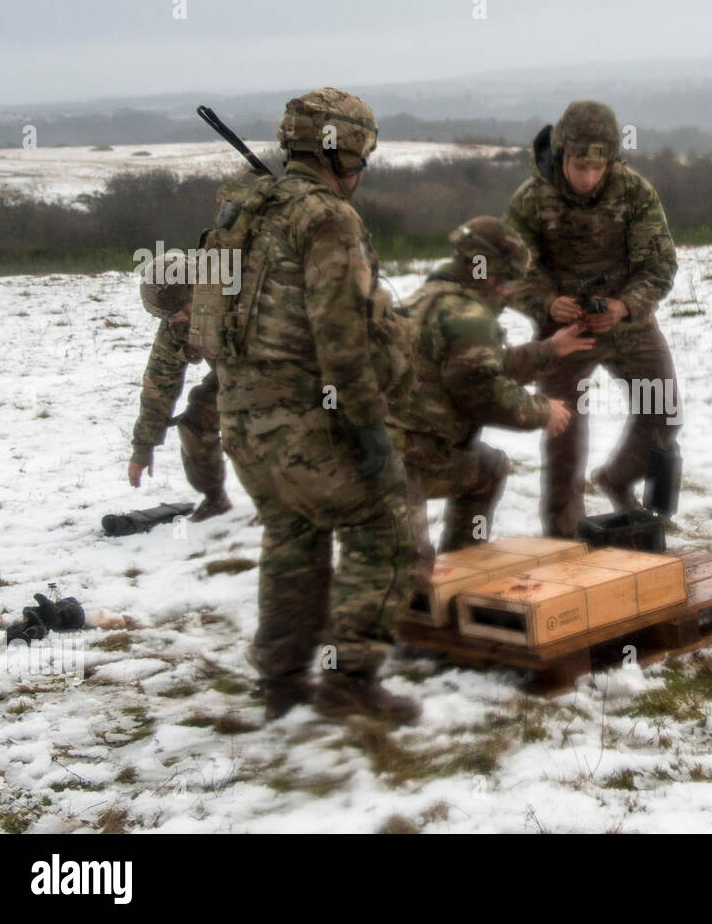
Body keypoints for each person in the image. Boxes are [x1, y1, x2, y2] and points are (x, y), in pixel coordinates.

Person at [214, 87, 426, 724]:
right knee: (387, 526)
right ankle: (350, 682)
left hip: (242, 421)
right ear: (349, 153)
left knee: (293, 535)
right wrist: (369, 429)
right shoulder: (327, 217)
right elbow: (342, 335)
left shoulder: (244, 206)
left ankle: (280, 681)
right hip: (303, 420)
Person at [506, 99, 681, 537]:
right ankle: (563, 537)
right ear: (562, 153)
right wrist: (547, 303)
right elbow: (512, 272)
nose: (587, 177)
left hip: (628, 323)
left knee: (663, 412)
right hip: (564, 332)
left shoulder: (634, 191)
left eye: (596, 168)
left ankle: (619, 477)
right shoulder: (531, 200)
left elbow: (659, 265)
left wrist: (624, 307)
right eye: (578, 166)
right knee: (563, 435)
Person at [390, 217, 594, 551]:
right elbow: (484, 393)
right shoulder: (468, 315)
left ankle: (464, 562)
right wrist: (544, 412)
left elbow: (481, 367)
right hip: (401, 463)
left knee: (488, 469)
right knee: (405, 577)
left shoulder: (427, 299)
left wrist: (551, 349)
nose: (506, 292)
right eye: (506, 282)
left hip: (399, 453)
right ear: (485, 272)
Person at [128, 263, 231, 521]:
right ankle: (215, 500)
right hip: (234, 378)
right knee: (195, 422)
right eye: (166, 316)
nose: (174, 320)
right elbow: (159, 384)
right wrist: (143, 447)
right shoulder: (177, 325)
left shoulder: (244, 299)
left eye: (175, 312)